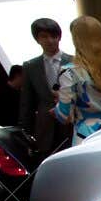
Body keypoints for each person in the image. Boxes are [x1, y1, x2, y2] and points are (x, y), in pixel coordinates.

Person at [54, 16, 101, 144]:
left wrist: (58, 105)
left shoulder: (70, 73)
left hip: (87, 137)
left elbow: (64, 115)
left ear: (76, 41)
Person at [19, 17, 72, 156]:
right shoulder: (30, 66)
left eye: (53, 36)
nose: (50, 40)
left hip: (71, 124)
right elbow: (27, 102)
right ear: (37, 39)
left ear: (59, 37)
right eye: (44, 37)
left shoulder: (75, 61)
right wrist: (26, 133)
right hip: (44, 127)